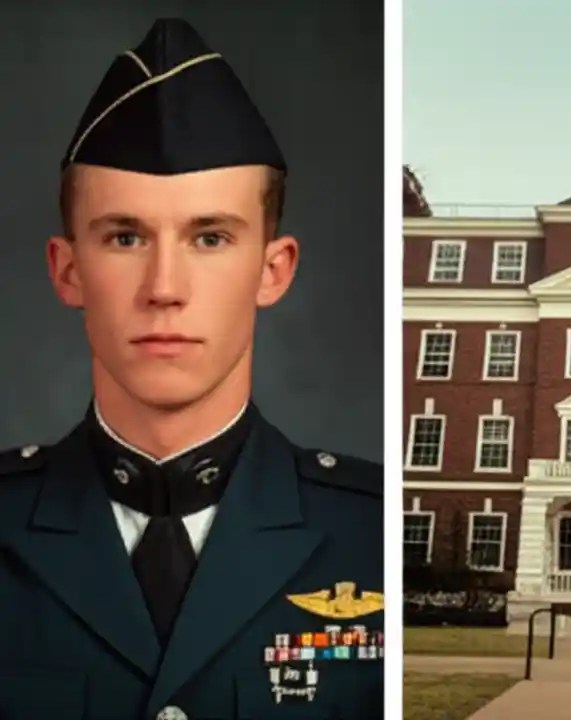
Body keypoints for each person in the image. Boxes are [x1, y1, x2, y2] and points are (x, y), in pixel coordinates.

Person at [0, 18, 384, 720]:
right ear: (68, 270)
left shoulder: (372, 535)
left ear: (273, 270)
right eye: (124, 236)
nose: (164, 286)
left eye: (210, 237)